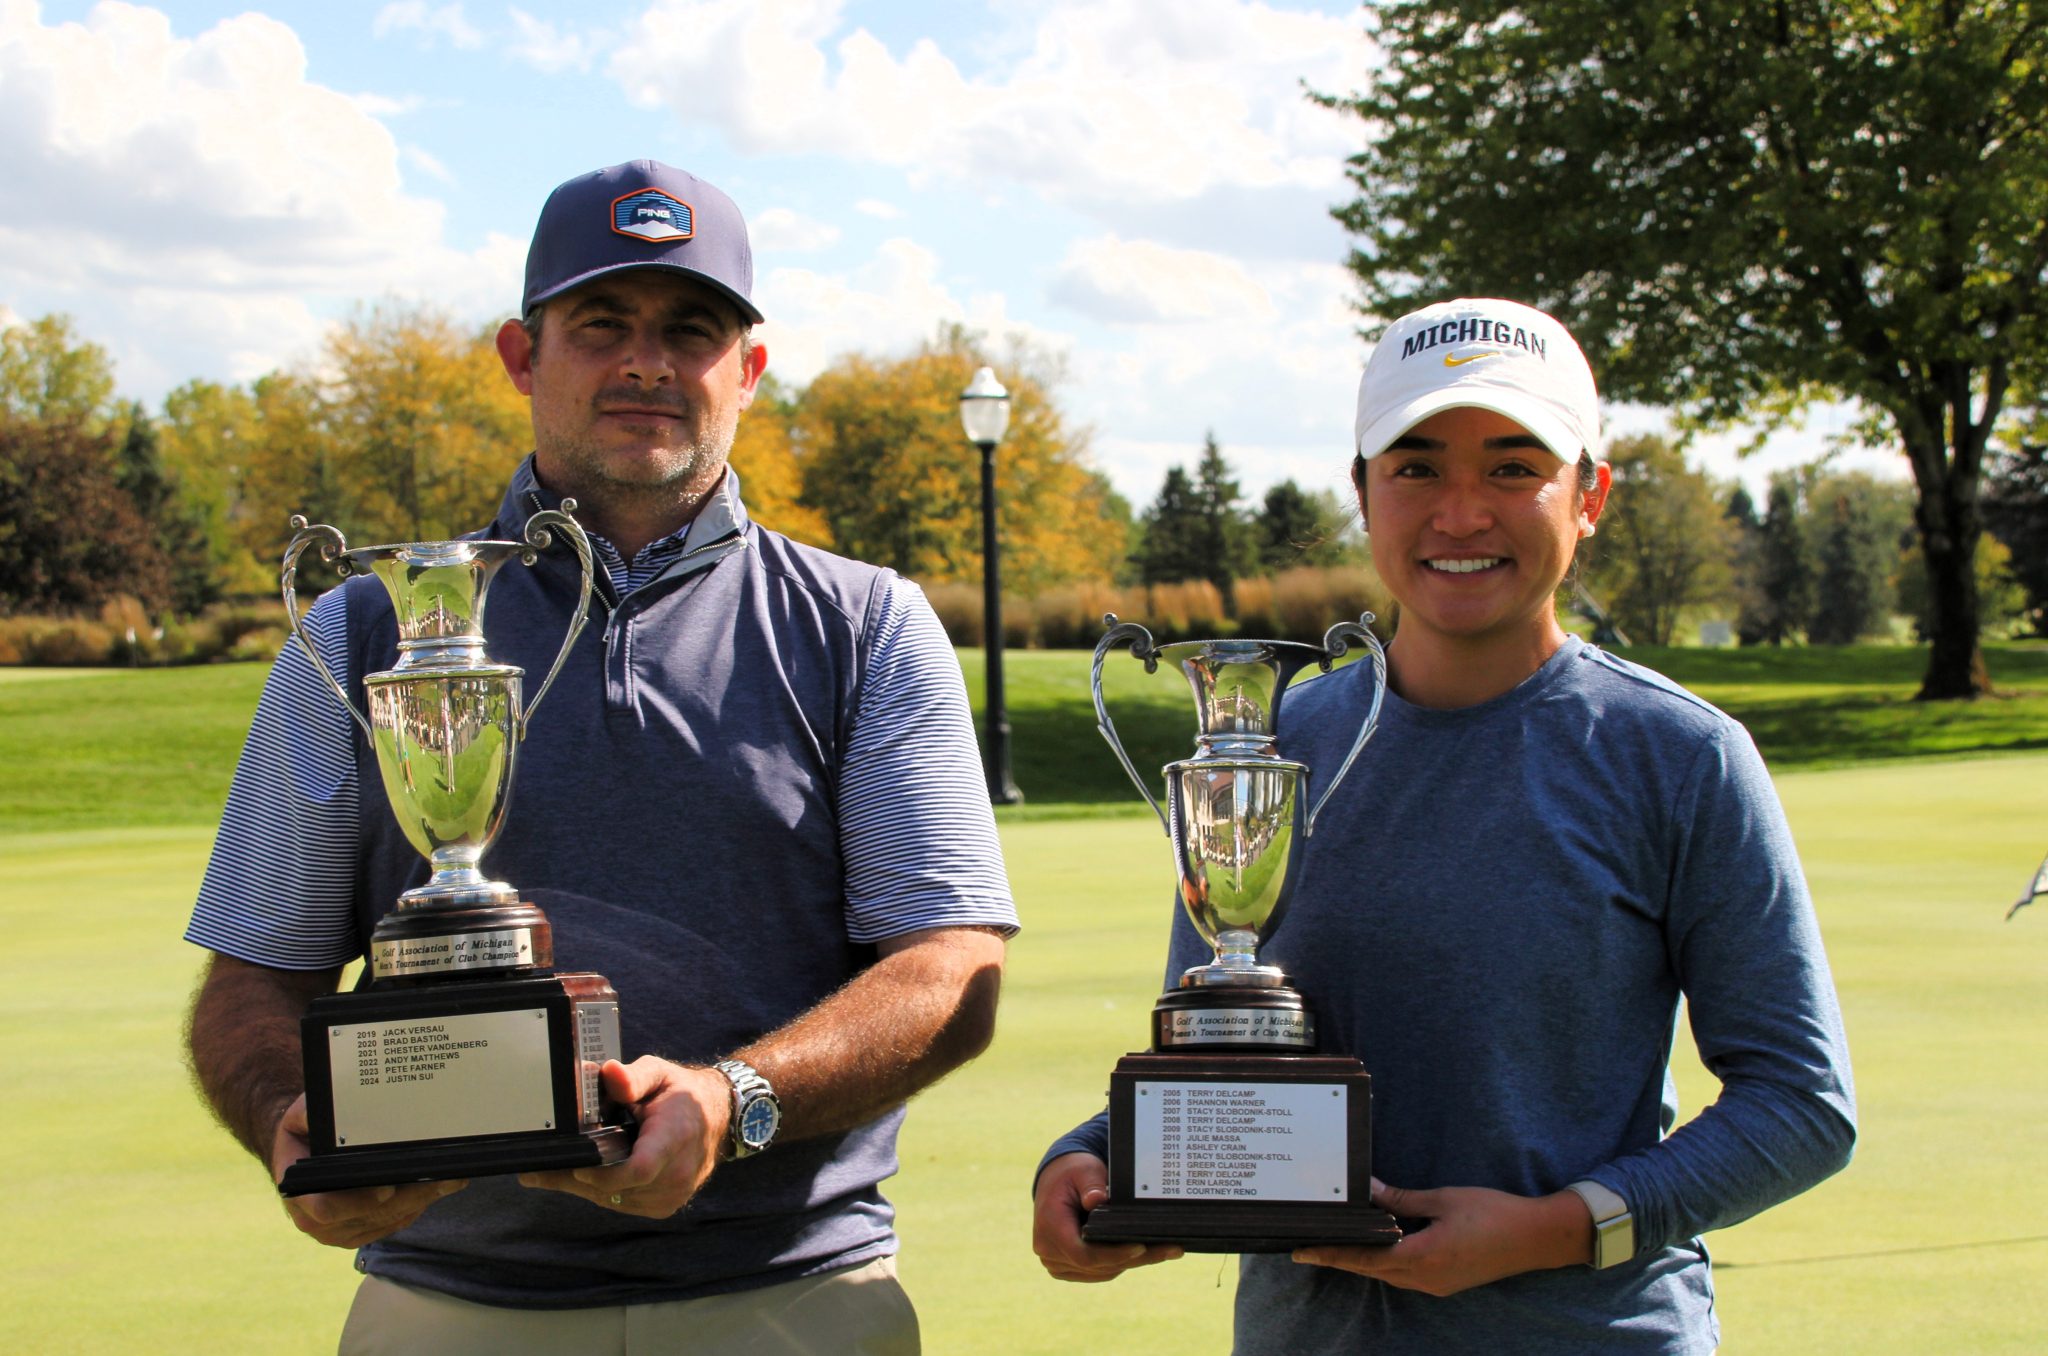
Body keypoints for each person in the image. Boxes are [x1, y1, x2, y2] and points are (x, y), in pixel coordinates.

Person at [185, 160, 1017, 1355]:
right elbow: (252, 976)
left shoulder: (862, 623)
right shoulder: (364, 628)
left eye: (690, 329)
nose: (647, 362)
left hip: (792, 1296)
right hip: (448, 1305)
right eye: (601, 325)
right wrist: (285, 1122)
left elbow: (946, 968)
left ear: (749, 371)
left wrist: (734, 1103)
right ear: (522, 358)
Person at [1031, 298, 1856, 1353]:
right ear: (1363, 494)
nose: (1460, 513)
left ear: (1588, 495)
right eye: (1415, 468)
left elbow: (1799, 1105)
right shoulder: (1266, 747)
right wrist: (1086, 1162)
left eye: (1513, 468)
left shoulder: (1678, 756)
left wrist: (1556, 1231)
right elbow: (1224, 1059)